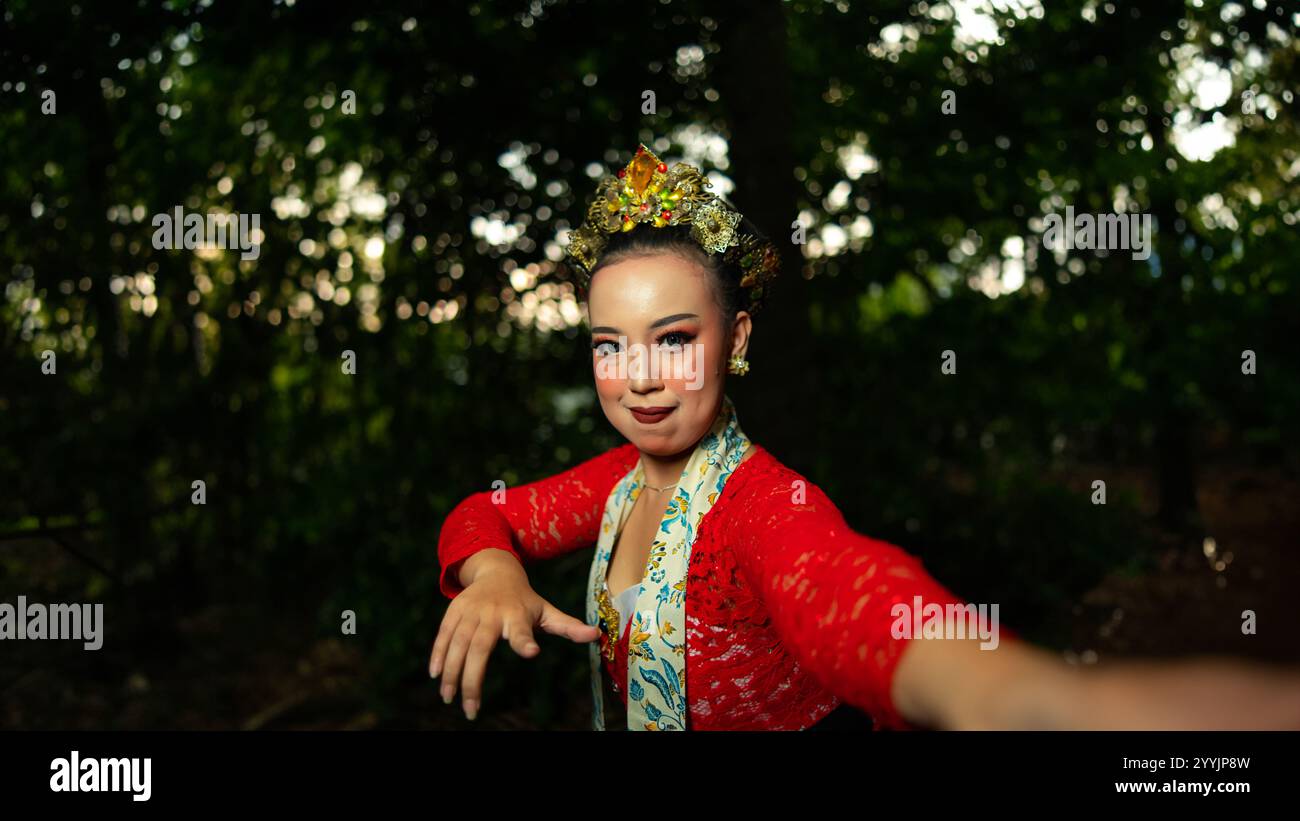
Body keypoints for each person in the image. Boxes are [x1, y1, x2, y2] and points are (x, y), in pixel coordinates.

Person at [430, 143, 1300, 730]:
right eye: (609, 346)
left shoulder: (764, 509)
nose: (639, 377)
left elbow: (863, 601)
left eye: (674, 338)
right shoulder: (616, 481)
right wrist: (495, 568)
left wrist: (1027, 696)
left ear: (734, 341)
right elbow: (482, 512)